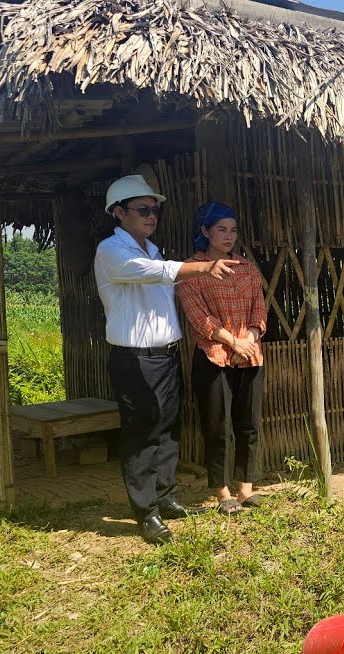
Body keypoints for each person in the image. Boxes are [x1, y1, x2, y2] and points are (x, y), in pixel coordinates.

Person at [95, 174, 239, 544]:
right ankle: (147, 513)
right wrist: (202, 267)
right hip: (135, 360)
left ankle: (166, 496)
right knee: (142, 433)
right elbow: (154, 274)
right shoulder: (112, 251)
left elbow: (162, 272)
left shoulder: (153, 250)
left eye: (154, 210)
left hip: (166, 355)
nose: (151, 215)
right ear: (119, 212)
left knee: (168, 430)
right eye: (142, 209)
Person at [176, 202, 268, 516]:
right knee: (217, 427)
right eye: (221, 229)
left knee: (249, 424)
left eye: (233, 230)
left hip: (250, 356)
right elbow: (198, 317)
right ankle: (222, 492)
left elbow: (259, 310)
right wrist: (233, 342)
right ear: (205, 231)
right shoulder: (191, 270)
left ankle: (246, 489)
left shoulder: (247, 268)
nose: (229, 236)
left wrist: (248, 342)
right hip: (212, 357)